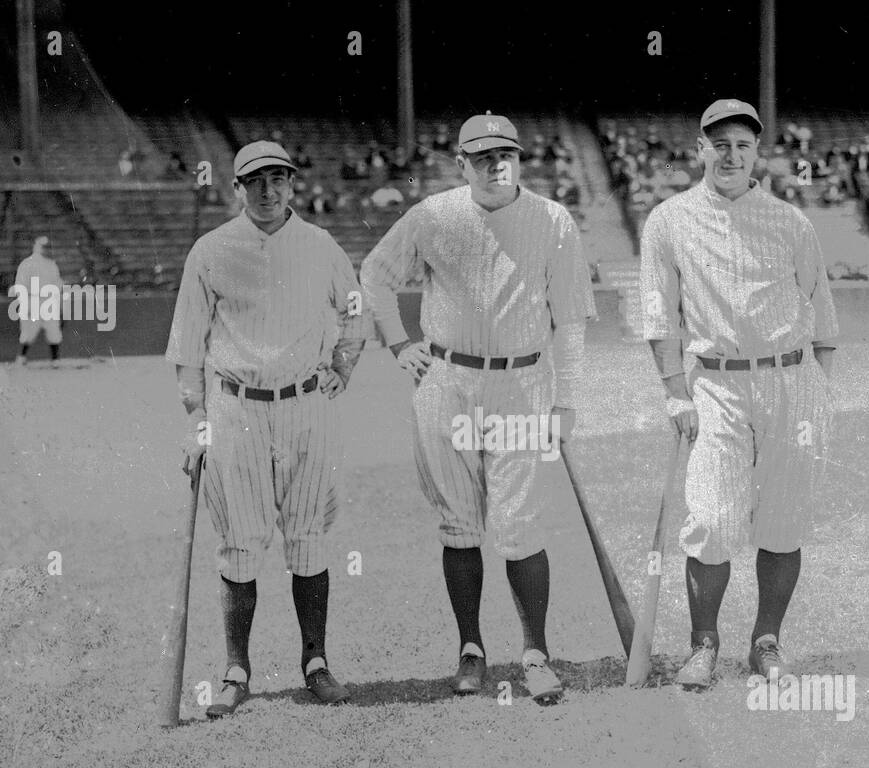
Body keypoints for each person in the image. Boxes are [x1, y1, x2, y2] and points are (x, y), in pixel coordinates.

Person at [361, 114, 595, 704]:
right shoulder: (433, 215)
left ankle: (535, 652)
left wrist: (566, 402)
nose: (497, 165)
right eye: (484, 157)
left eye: (506, 155)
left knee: (518, 526)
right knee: (460, 523)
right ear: (460, 164)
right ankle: (471, 649)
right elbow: (376, 274)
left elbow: (569, 322)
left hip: (522, 382)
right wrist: (397, 341)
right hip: (446, 378)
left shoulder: (553, 221)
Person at [639, 98, 838, 688]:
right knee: (711, 519)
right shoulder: (668, 220)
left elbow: (822, 315)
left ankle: (766, 642)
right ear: (700, 149)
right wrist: (674, 393)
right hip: (715, 385)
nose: (730, 155)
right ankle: (704, 645)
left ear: (757, 153)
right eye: (718, 144)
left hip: (790, 380)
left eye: (742, 145)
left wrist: (819, 394)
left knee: (783, 520)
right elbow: (658, 316)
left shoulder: (790, 222)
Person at [166, 140, 367, 718]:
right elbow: (187, 344)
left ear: (292, 182)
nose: (269, 189)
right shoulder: (211, 250)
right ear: (238, 188)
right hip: (236, 411)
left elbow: (355, 308)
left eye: (278, 178)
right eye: (256, 180)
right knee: (239, 545)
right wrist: (195, 418)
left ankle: (316, 663)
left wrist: (343, 366)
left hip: (306, 404)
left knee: (307, 536)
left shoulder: (320, 245)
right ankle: (236, 670)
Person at [12, 236, 64, 365]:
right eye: (42, 246)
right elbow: (20, 285)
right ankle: (22, 357)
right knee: (28, 332)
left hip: (47, 300)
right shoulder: (27, 263)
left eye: (46, 246)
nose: (45, 249)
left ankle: (55, 359)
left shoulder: (51, 264)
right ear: (36, 246)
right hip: (32, 299)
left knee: (53, 330)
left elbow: (57, 284)